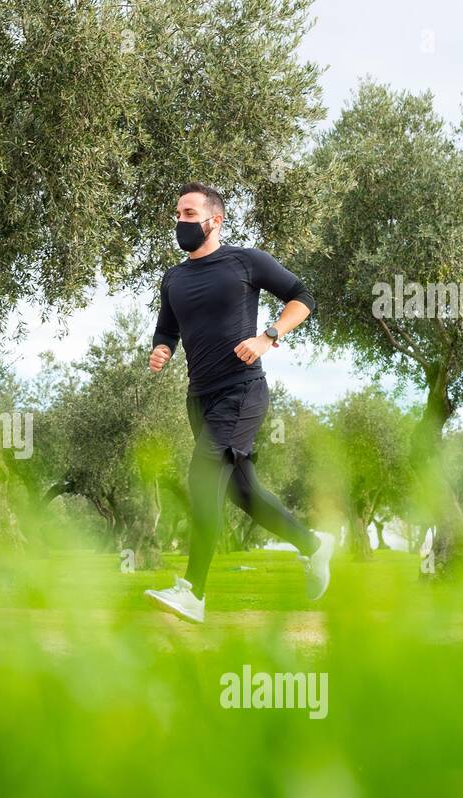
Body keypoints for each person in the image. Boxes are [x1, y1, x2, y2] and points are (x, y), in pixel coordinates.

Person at [143, 182, 334, 624]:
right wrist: (162, 349)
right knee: (243, 492)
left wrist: (268, 336)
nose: (181, 223)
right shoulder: (173, 278)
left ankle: (193, 591)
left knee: (202, 474)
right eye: (178, 214)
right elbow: (167, 329)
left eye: (190, 214)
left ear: (215, 219)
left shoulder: (245, 262)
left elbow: (303, 297)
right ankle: (313, 545)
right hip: (199, 399)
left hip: (242, 390)